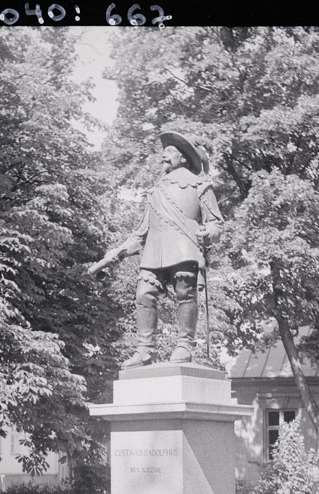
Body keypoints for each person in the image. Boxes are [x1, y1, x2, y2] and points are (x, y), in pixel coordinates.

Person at [88, 130, 223, 369]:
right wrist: (117, 254)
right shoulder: (156, 191)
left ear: (184, 158)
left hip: (184, 247)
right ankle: (144, 350)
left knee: (185, 293)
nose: (164, 155)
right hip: (154, 251)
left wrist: (208, 233)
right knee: (143, 294)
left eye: (170, 151)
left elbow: (215, 222)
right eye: (164, 151)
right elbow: (140, 233)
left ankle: (184, 344)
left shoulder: (200, 185)